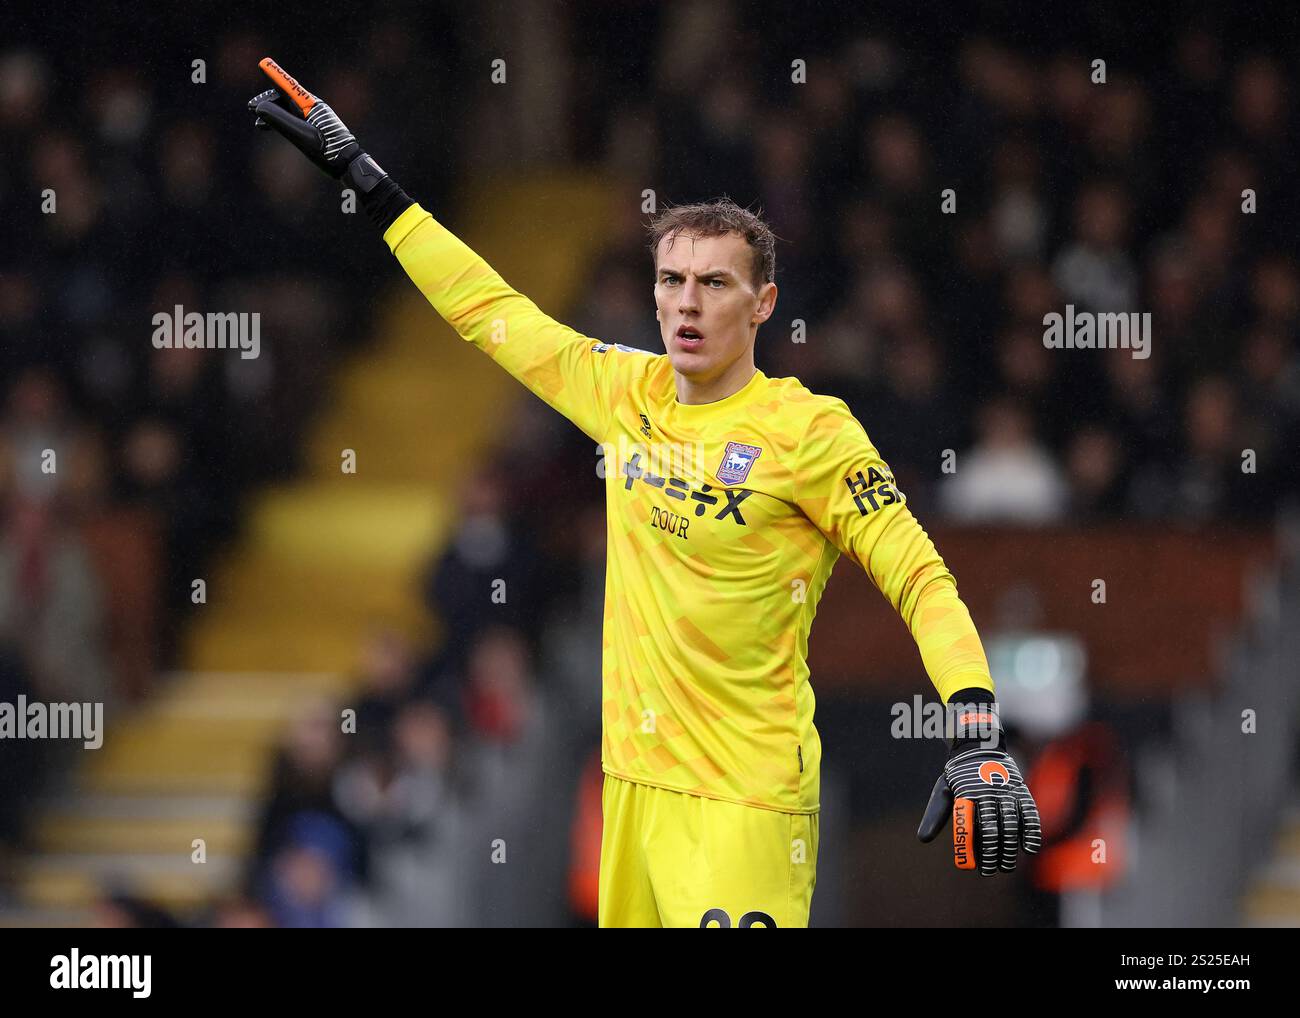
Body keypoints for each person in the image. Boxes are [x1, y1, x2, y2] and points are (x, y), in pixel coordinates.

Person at [246, 59, 1041, 928]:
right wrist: (370, 182)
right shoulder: (624, 392)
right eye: (671, 281)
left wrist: (974, 725)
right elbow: (487, 310)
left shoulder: (811, 433)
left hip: (748, 801)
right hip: (630, 793)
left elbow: (920, 575)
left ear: (764, 302)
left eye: (715, 283)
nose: (687, 304)